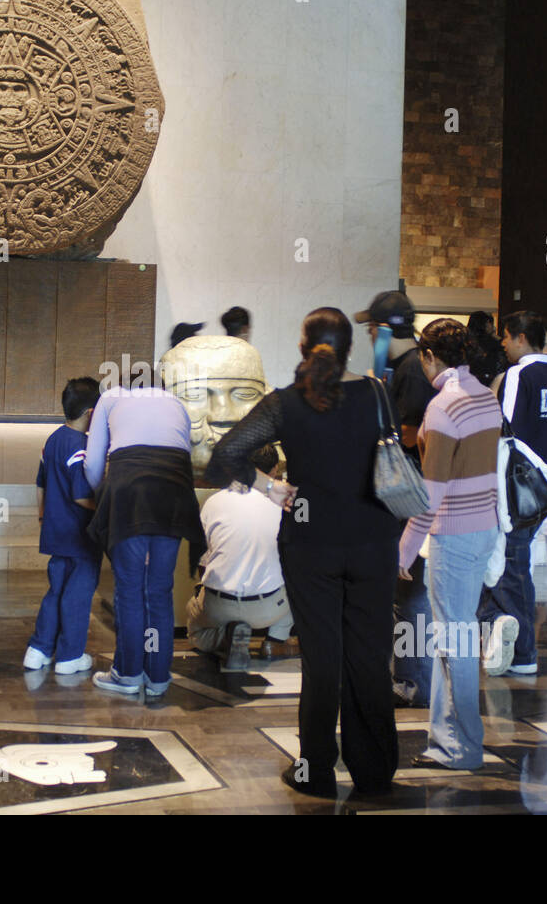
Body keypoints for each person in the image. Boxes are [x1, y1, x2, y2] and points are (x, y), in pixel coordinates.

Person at [208, 307, 400, 800]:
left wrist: (271, 487)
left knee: (322, 661)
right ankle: (375, 771)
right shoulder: (378, 394)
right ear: (350, 348)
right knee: (370, 658)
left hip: (311, 543)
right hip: (374, 540)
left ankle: (315, 770)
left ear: (302, 346)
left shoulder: (284, 404)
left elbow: (224, 455)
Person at [397, 320, 502, 770]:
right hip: (485, 529)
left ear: (428, 356)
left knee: (452, 641)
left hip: (454, 534)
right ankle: (448, 741)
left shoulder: (443, 407)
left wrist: (402, 551)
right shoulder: (486, 397)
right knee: (455, 637)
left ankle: (460, 747)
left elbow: (431, 492)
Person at [479, 311, 547, 677]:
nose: (504, 345)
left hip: (516, 487)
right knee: (515, 566)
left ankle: (522, 652)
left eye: (506, 339)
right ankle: (504, 633)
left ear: (520, 338)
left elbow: (503, 429)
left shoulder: (518, 375)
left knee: (509, 566)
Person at [84, 375, 204, 697]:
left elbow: (93, 464)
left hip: (128, 494)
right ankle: (158, 677)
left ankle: (128, 674)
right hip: (174, 496)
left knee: (130, 589)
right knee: (159, 591)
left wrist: (103, 499)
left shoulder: (112, 398)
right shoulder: (177, 404)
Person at [354, 289, 437, 709]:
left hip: (412, 499)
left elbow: (409, 433)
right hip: (412, 497)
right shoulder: (406, 367)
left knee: (411, 593)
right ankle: (410, 676)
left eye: (372, 328)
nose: (369, 335)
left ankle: (413, 681)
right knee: (406, 593)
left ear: (384, 329)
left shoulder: (410, 369)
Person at [186, 444, 294, 672]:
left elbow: (203, 562)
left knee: (195, 631)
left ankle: (227, 638)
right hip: (269, 608)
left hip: (219, 605)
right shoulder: (285, 506)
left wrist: (204, 592)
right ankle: (275, 643)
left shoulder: (213, 502)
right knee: (296, 586)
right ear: (274, 471)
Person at [23, 377, 103, 676]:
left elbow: (40, 483)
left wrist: (43, 517)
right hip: (80, 536)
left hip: (55, 531)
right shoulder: (81, 447)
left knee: (56, 590)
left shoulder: (53, 440)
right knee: (78, 594)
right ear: (92, 413)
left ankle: (39, 649)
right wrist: (106, 510)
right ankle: (70, 655)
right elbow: (81, 496)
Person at [466, 311, 507, 387]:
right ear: (487, 323)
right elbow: (501, 364)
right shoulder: (494, 343)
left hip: (468, 382)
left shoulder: (466, 342)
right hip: (491, 382)